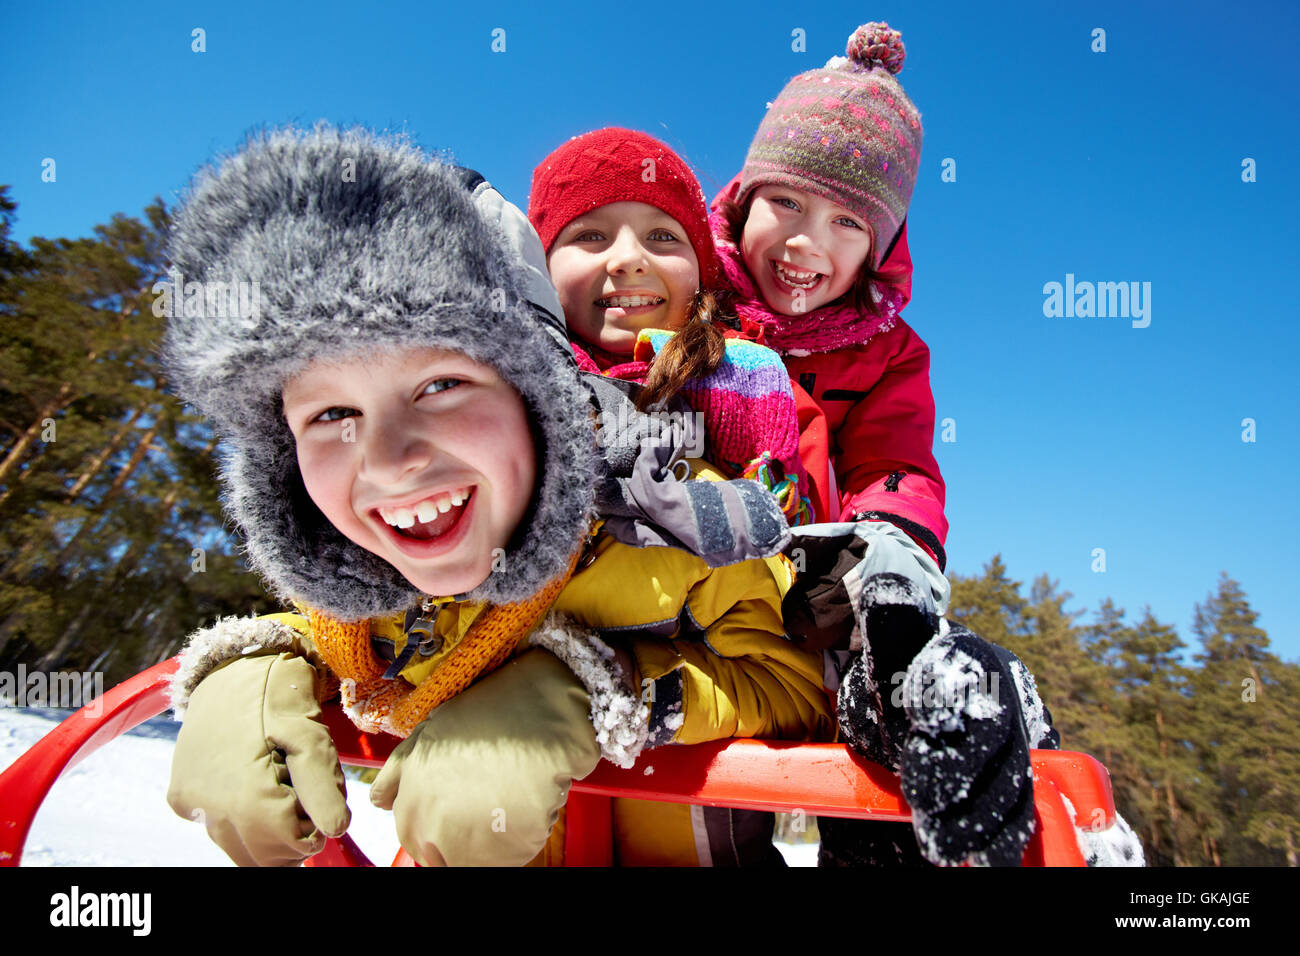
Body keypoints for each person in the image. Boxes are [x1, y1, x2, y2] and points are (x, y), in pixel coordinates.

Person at [160, 124, 833, 867]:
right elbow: (334, 641)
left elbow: (796, 685)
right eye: (331, 415)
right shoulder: (382, 579)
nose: (390, 464)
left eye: (441, 386)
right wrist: (252, 675)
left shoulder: (680, 524)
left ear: (537, 394)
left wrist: (597, 692)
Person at [709, 22, 1069, 866]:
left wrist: (886, 558)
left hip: (810, 599)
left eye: (846, 221)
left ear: (881, 243)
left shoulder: (887, 354)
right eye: (787, 203)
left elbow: (894, 466)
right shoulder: (693, 306)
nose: (807, 245)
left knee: (897, 679)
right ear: (744, 199)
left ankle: (901, 822)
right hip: (681, 573)